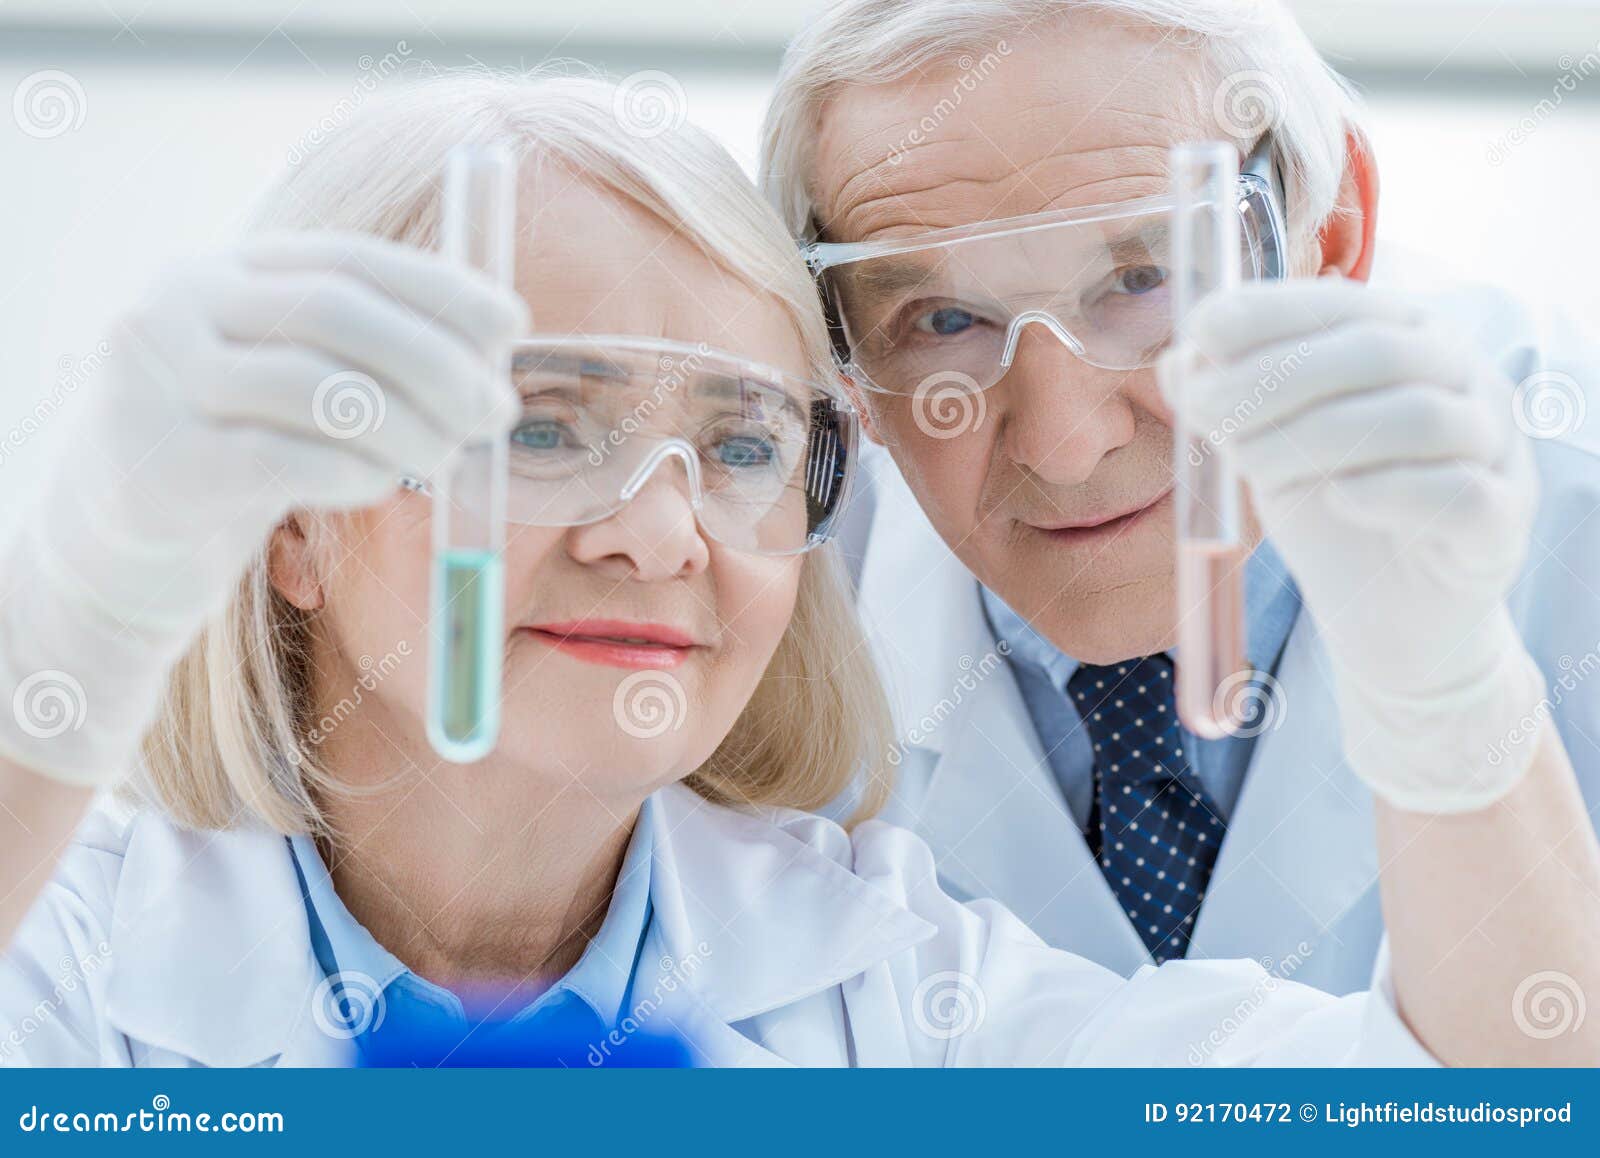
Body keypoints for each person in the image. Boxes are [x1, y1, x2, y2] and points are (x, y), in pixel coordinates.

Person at [0, 72, 1595, 1069]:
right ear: (291, 512)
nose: (662, 527)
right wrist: (76, 619)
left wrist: (1437, 666)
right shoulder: (71, 967)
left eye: (745, 442)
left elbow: (1477, 1103)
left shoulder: (890, 985)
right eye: (543, 424)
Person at [759, 0, 1600, 997]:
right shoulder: (753, 576)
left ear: (1330, 234)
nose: (1065, 446)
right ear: (841, 356)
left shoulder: (1569, 510)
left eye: (1144, 278)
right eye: (943, 318)